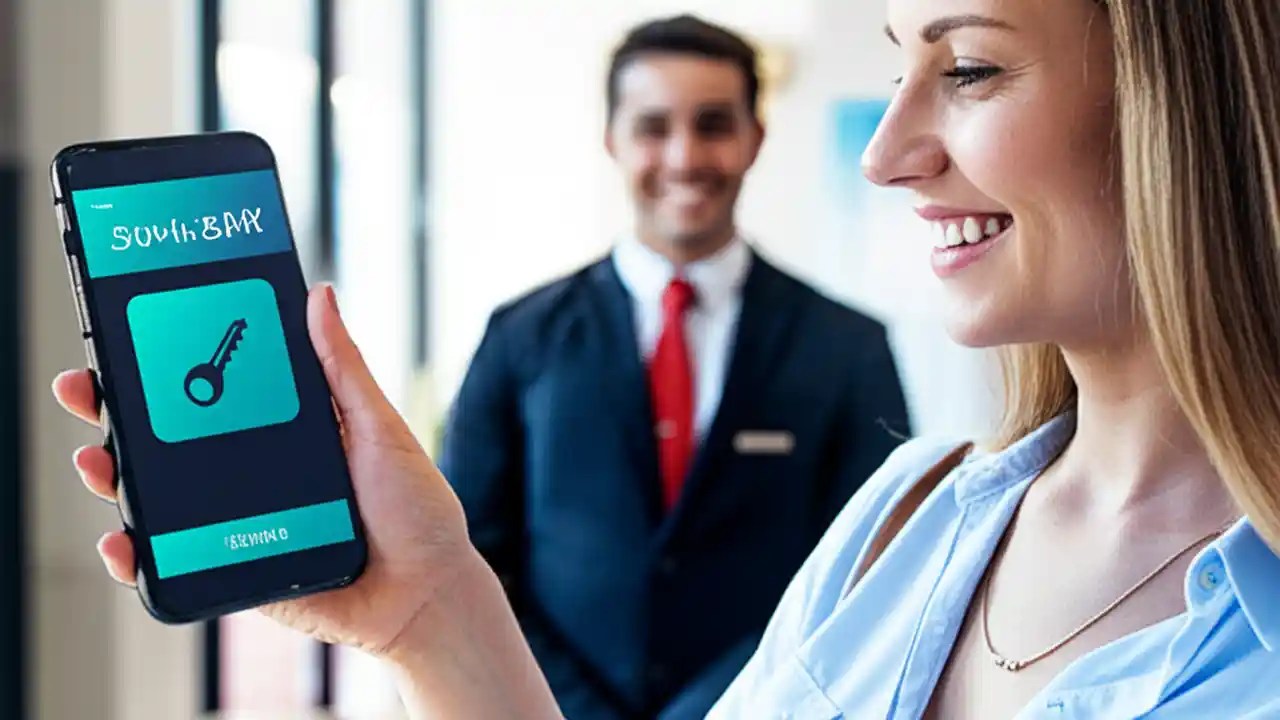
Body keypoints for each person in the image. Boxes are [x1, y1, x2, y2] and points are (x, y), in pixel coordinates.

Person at [54, 0, 1280, 717]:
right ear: (611, 141)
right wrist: (434, 615)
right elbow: (498, 539)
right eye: (898, 64)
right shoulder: (906, 525)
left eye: (963, 69)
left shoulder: (845, 355)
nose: (885, 152)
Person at [436, 15, 909, 719]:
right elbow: (465, 557)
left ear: (755, 138)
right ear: (613, 141)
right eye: (654, 127)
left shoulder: (848, 346)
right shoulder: (520, 337)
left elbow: (872, 571)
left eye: (714, 125)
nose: (685, 157)